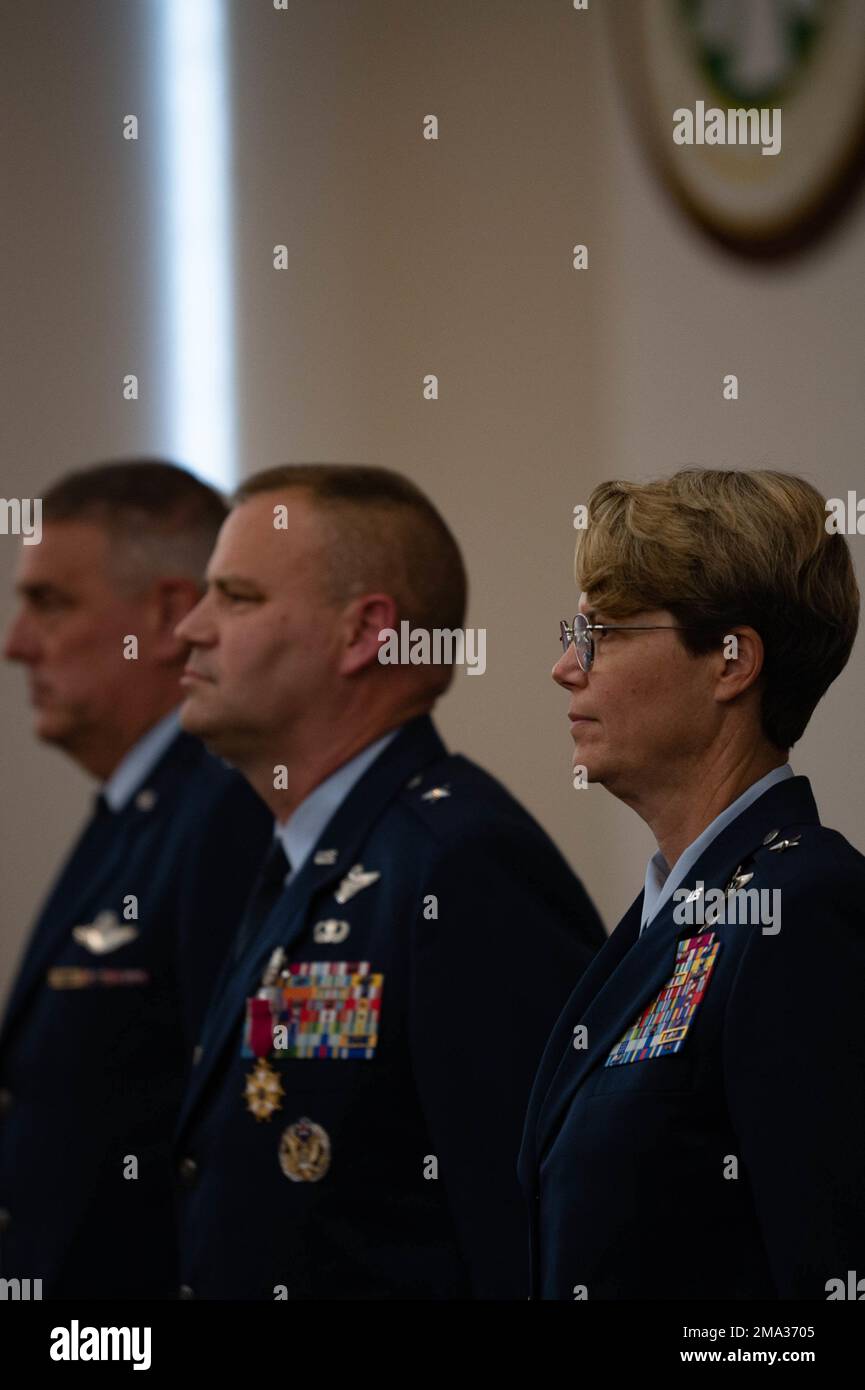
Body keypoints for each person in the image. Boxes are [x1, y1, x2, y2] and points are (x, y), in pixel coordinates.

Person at [172, 463, 605, 1299]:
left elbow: (529, 1240)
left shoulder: (460, 864)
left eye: (235, 597)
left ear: (364, 631)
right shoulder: (302, 852)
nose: (189, 629)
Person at [519, 467, 865, 1300]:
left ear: (730, 662)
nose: (565, 667)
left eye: (600, 632)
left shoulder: (800, 908)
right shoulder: (674, 910)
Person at [0, 460, 272, 1299]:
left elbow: (232, 1144)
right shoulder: (138, 812)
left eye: (51, 602)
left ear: (163, 617)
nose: (16, 644)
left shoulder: (225, 818)